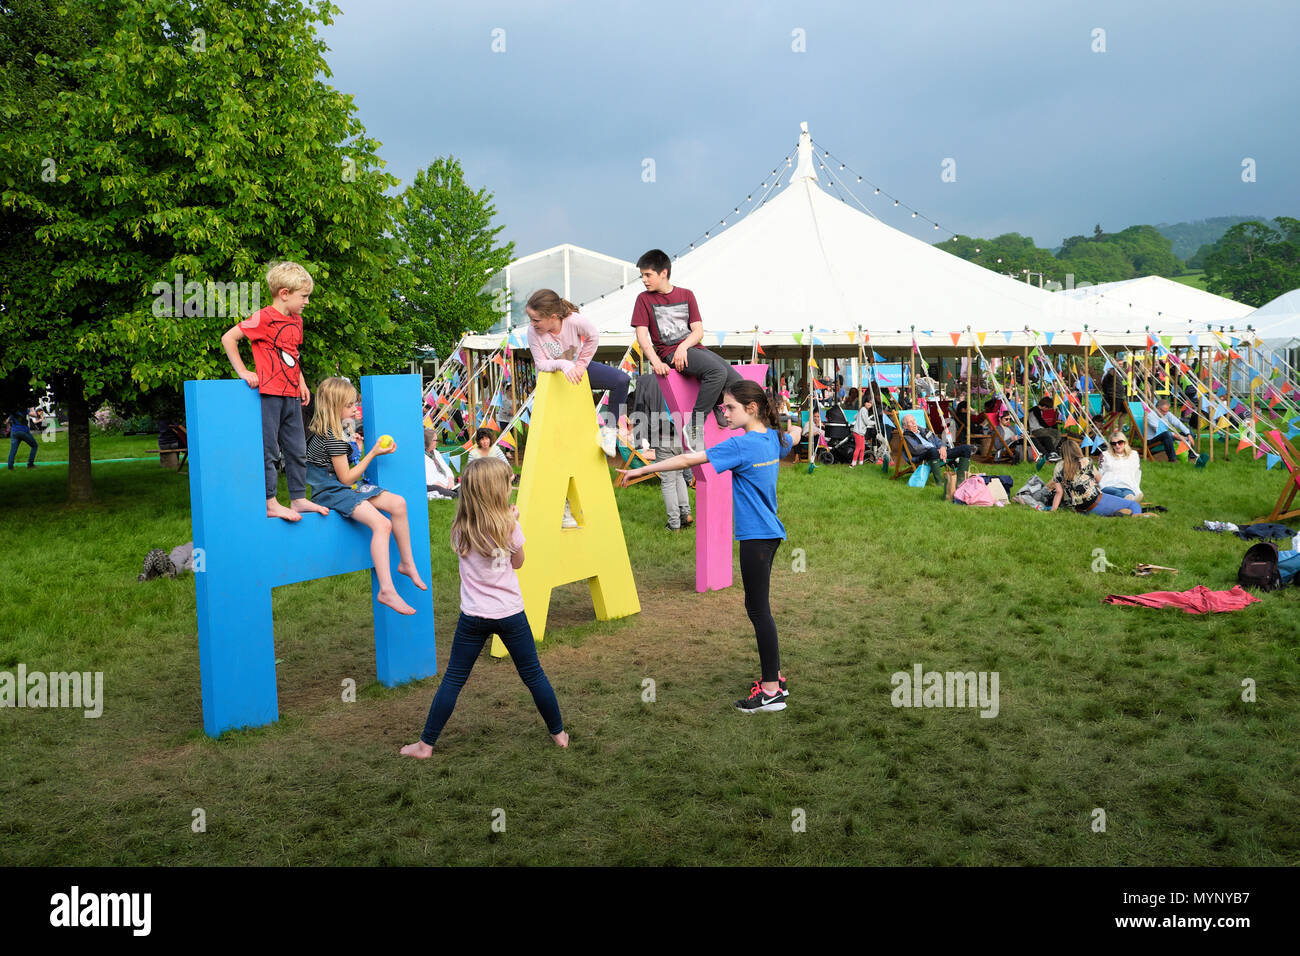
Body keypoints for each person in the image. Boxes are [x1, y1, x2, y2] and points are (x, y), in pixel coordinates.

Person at [617, 380, 802, 713]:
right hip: (770, 534)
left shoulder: (741, 446)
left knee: (758, 610)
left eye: (730, 407)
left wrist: (644, 468)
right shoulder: (773, 439)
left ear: (752, 409)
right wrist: (800, 426)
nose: (724, 413)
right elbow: (794, 436)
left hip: (757, 537)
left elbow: (689, 460)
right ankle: (775, 677)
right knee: (759, 608)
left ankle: (772, 691)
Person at [400, 456, 568, 757]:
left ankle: (425, 745)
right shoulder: (509, 527)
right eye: (507, 484)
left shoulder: (459, 528)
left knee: (453, 679)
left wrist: (507, 523)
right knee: (533, 674)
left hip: (473, 617)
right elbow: (518, 563)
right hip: (510, 614)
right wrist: (513, 524)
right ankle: (559, 734)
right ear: (497, 491)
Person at [306, 377, 428, 615]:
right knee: (382, 524)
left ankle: (406, 563)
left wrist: (359, 450)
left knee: (398, 504)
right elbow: (347, 479)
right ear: (335, 407)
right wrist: (372, 453)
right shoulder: (331, 438)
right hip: (330, 492)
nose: (355, 408)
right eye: (350, 405)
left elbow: (346, 468)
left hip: (343, 488)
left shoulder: (339, 429)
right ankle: (386, 589)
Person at [220, 261, 327, 521]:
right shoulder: (264, 317)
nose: (307, 302)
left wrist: (300, 381)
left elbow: (292, 354)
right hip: (269, 394)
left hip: (291, 394)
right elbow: (229, 338)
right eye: (304, 297)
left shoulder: (296, 321)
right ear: (284, 294)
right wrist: (244, 371)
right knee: (270, 450)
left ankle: (298, 498)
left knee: (297, 449)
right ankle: (270, 502)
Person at [630, 248, 742, 450]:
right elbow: (642, 337)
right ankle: (694, 427)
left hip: (691, 347)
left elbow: (698, 331)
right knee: (717, 372)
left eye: (648, 275)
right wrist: (656, 362)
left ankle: (717, 404)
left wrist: (683, 346)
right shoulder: (643, 299)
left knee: (736, 381)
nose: (644, 280)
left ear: (663, 272)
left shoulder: (686, 295)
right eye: (642, 276)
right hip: (668, 353)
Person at [526, 288, 630, 455]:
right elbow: (541, 363)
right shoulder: (533, 332)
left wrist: (581, 365)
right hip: (552, 378)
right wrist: (564, 365)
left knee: (621, 380)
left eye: (536, 320)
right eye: (530, 319)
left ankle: (609, 431)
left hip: (578, 369)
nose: (532, 323)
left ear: (553, 317)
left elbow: (593, 336)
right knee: (561, 428)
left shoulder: (573, 321)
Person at [629, 371, 693, 531]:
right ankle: (686, 514)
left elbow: (639, 409)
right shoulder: (685, 376)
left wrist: (638, 439)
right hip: (684, 433)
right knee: (678, 475)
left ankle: (674, 524)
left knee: (668, 481)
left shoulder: (646, 380)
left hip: (663, 435)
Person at [1048, 438, 1141, 516]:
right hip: (1095, 501)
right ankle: (1136, 517)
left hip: (1078, 509)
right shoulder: (1086, 461)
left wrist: (1053, 511)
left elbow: (1059, 493)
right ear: (1077, 449)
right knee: (1134, 505)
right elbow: (1100, 481)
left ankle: (1118, 513)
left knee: (1113, 504)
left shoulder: (1058, 467)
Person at [900, 413, 975, 482]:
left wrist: (942, 447)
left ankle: (962, 479)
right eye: (910, 422)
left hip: (938, 452)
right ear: (905, 426)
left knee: (966, 448)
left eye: (914, 420)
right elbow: (916, 449)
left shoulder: (924, 430)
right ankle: (939, 482)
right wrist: (937, 450)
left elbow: (938, 440)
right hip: (924, 455)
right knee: (933, 450)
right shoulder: (906, 436)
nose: (914, 423)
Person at [1146, 398, 1201, 464]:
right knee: (1167, 434)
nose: (1166, 413)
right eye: (1164, 411)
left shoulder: (1166, 413)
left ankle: (1191, 456)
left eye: (1167, 410)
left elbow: (1178, 423)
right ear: (1158, 409)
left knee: (1190, 433)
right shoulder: (1150, 415)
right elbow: (1159, 431)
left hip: (1165, 437)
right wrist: (1176, 436)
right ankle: (1172, 459)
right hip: (1152, 440)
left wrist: (1188, 433)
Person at [1098, 430, 1142, 501]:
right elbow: (1100, 473)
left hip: (1127, 485)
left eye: (1120, 442)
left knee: (1128, 493)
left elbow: (1137, 473)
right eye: (1113, 443)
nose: (1117, 445)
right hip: (1108, 485)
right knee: (1117, 492)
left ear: (1125, 442)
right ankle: (1129, 501)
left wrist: (1136, 487)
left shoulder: (1133, 455)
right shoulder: (1105, 455)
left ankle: (1128, 500)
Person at [424, 428, 458, 500]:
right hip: (434, 485)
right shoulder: (422, 457)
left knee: (462, 486)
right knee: (453, 494)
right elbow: (429, 479)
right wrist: (444, 486)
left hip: (444, 481)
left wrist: (450, 480)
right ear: (428, 441)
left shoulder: (436, 453)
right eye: (435, 440)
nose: (437, 442)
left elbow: (446, 468)